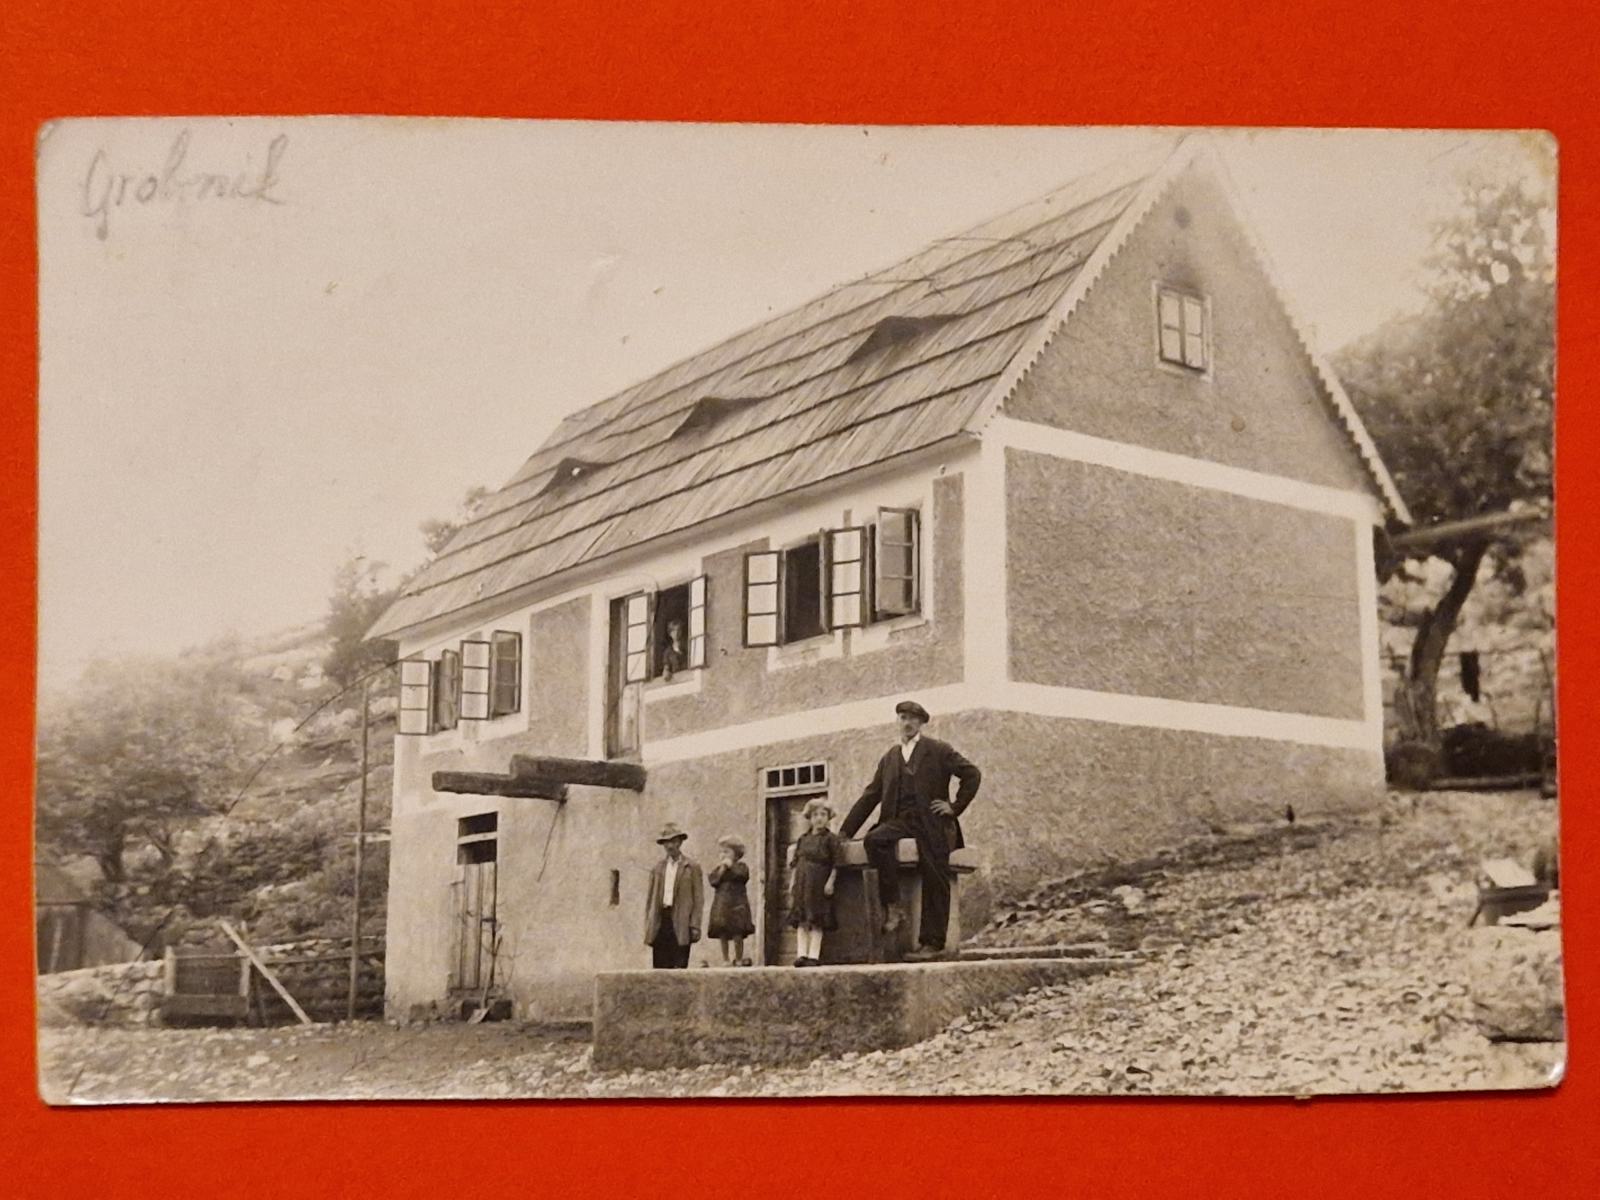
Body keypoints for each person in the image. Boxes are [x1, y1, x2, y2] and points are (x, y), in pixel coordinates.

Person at [839, 700, 982, 961]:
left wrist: (954, 806)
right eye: (903, 718)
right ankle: (894, 907)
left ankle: (932, 943)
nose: (907, 723)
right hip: (900, 820)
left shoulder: (938, 750)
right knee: (875, 840)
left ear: (921, 723)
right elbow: (870, 796)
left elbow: (972, 774)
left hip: (933, 822)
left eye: (913, 719)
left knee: (935, 873)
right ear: (898, 721)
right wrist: (845, 832)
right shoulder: (890, 757)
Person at [787, 798, 844, 966]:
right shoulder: (803, 839)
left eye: (823, 814)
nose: (819, 818)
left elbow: (837, 863)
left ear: (828, 818)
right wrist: (793, 883)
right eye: (815, 815)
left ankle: (813, 956)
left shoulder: (831, 839)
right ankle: (801, 954)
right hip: (802, 882)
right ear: (810, 818)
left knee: (817, 919)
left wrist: (830, 882)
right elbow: (796, 863)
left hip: (819, 882)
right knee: (802, 919)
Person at [642, 823, 703, 969]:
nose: (670, 846)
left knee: (679, 964)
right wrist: (649, 923)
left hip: (681, 920)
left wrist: (695, 925)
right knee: (660, 966)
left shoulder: (691, 867)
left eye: (673, 841)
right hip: (662, 918)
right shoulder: (658, 868)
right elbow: (650, 899)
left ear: (680, 842)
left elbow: (698, 899)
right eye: (666, 842)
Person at [707, 834, 755, 966]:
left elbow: (742, 876)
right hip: (722, 905)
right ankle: (726, 959)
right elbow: (713, 880)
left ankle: (738, 958)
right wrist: (723, 868)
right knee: (722, 932)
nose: (723, 855)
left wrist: (730, 867)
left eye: (727, 852)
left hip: (737, 905)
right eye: (721, 852)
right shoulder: (719, 869)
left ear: (736, 854)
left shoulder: (741, 867)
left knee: (737, 932)